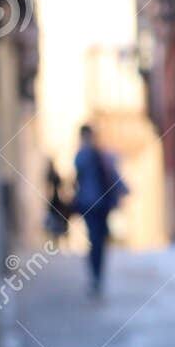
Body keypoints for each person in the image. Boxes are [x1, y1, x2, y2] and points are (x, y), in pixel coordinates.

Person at [73, 124, 127, 298]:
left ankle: (96, 276)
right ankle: (96, 276)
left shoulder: (91, 155)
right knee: (97, 241)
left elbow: (112, 175)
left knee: (97, 241)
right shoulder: (91, 155)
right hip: (93, 205)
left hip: (96, 205)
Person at [43, 160, 74, 241]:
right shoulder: (50, 175)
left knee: (59, 218)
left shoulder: (53, 176)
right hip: (53, 201)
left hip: (55, 201)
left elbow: (59, 187)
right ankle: (56, 235)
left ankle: (58, 235)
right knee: (55, 218)